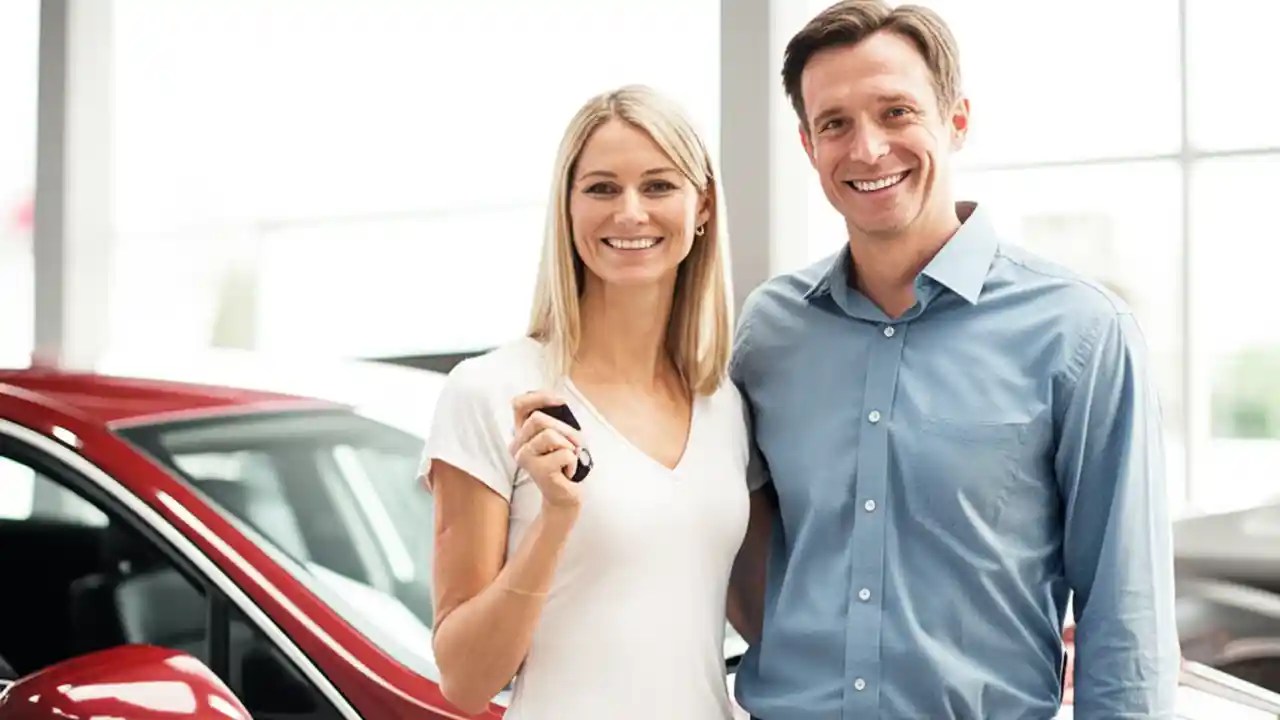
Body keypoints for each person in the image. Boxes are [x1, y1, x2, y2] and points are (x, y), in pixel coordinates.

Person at [726, 2, 1181, 718]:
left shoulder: (1080, 332)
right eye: (835, 123)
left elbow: (1125, 617)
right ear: (809, 145)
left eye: (896, 112)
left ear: (957, 121)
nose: (868, 149)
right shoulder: (770, 331)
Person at [419, 84, 755, 719]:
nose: (630, 213)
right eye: (601, 188)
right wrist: (555, 519)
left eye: (658, 186)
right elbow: (464, 681)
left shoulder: (724, 404)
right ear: (568, 208)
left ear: (702, 206)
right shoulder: (492, 391)